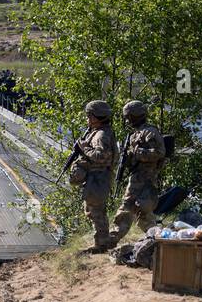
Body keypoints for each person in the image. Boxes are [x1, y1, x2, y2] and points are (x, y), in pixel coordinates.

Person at [109, 100, 166, 246]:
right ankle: (157, 238)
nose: (127, 120)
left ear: (136, 115)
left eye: (129, 117)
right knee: (134, 210)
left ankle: (157, 238)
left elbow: (159, 153)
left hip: (146, 177)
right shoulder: (135, 134)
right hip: (136, 177)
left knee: (136, 209)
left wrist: (136, 152)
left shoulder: (150, 132)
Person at [70, 99, 119, 253]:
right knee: (94, 211)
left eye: (89, 116)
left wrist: (85, 149)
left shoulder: (101, 135)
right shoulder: (99, 132)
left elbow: (102, 156)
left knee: (96, 211)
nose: (87, 119)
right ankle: (101, 242)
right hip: (96, 178)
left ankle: (101, 244)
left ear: (95, 117)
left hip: (98, 178)